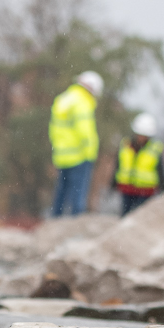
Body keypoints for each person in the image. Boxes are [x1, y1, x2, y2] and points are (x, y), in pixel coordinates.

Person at [48, 70, 102, 217]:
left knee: (61, 192)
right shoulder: (82, 102)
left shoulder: (63, 99)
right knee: (78, 194)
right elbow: (85, 131)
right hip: (80, 155)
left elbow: (54, 130)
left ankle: (55, 220)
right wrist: (91, 152)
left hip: (62, 155)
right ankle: (76, 224)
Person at [112, 112, 164, 215]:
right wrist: (113, 184)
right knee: (125, 216)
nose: (142, 138)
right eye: (140, 134)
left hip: (146, 191)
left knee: (142, 216)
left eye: (145, 135)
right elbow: (118, 166)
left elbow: (161, 170)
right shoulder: (125, 145)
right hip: (127, 188)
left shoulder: (155, 149)